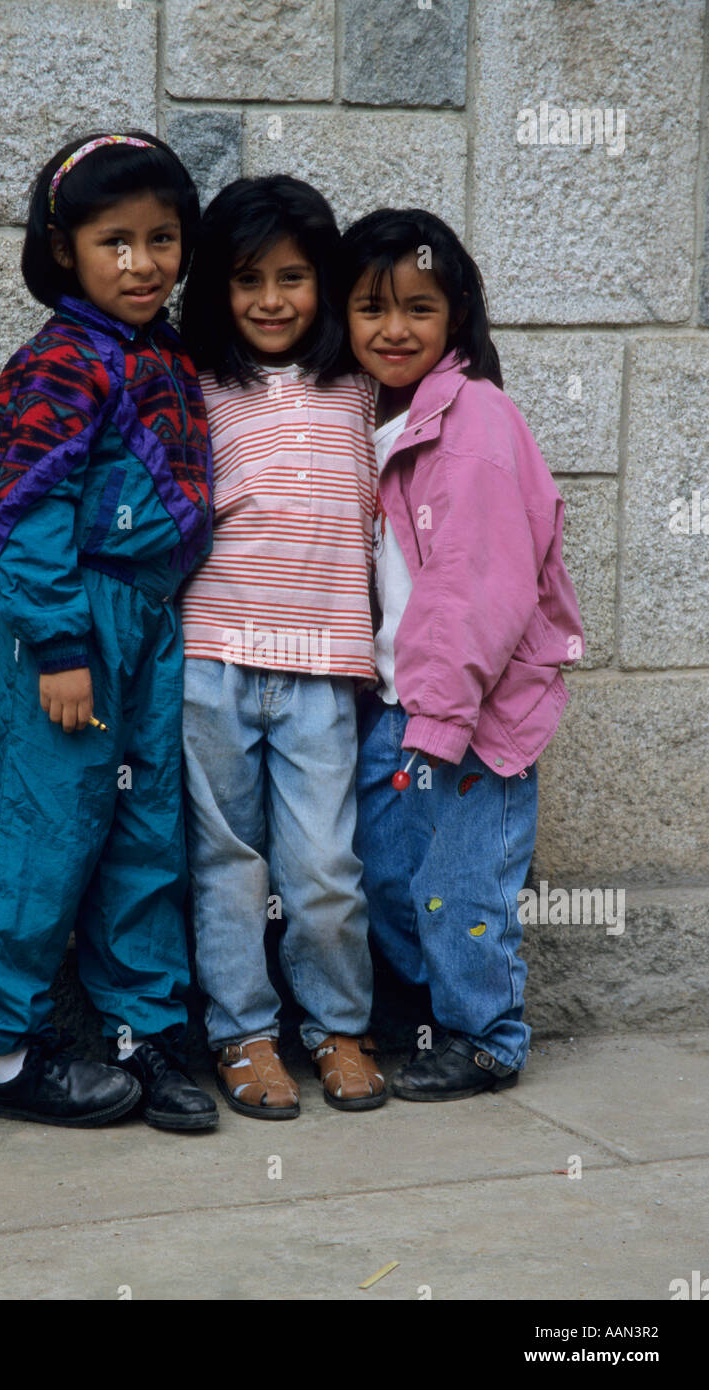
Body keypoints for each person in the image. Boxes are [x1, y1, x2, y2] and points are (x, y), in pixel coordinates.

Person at [0, 131, 218, 1131]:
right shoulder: (62, 361)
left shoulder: (165, 352)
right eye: (116, 240)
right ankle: (9, 1053)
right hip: (72, 627)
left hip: (152, 626)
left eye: (163, 239)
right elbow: (22, 514)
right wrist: (62, 648)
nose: (144, 262)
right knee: (47, 833)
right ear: (63, 248)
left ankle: (140, 1033)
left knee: (147, 831)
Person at [343, 208, 584, 1101]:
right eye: (371, 308)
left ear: (456, 316)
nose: (394, 328)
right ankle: (423, 1019)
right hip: (398, 704)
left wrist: (441, 718)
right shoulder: (370, 420)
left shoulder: (474, 417)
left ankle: (485, 1038)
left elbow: (476, 586)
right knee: (387, 875)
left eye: (419, 306)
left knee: (460, 883)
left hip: (470, 716)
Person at [178, 176, 386, 1118]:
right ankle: (242, 1034)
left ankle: (339, 1026)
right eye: (247, 278)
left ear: (324, 280)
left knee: (324, 868)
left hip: (322, 671)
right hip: (212, 656)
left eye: (293, 277)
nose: (270, 300)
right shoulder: (196, 383)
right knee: (227, 863)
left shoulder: (360, 387)